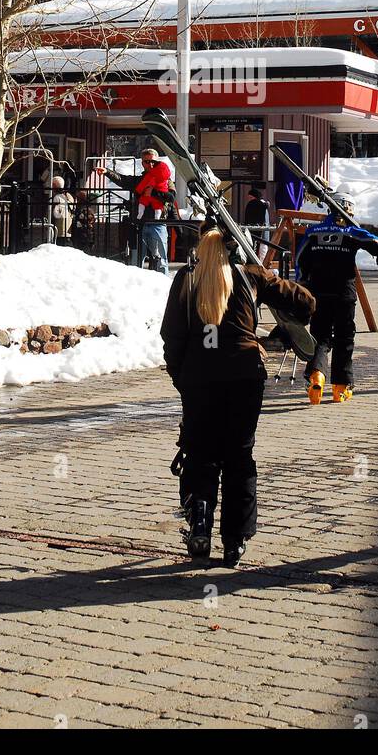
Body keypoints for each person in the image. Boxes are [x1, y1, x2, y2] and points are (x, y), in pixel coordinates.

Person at [161, 224, 315, 567]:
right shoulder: (251, 276)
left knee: (199, 452)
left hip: (199, 378)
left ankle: (199, 517)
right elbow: (305, 303)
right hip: (245, 374)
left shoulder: (186, 278)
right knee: (239, 455)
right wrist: (284, 329)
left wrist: (181, 377)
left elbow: (171, 335)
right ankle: (235, 540)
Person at [295, 194, 378, 404]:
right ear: (349, 210)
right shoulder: (351, 231)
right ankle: (340, 387)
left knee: (320, 336)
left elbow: (300, 260)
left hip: (318, 292)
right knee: (344, 337)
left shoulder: (313, 231)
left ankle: (316, 377)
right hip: (343, 293)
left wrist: (302, 282)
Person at [105, 149, 174, 273]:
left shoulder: (166, 179)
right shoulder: (140, 180)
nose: (150, 164)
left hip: (157, 223)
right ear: (142, 163)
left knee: (161, 260)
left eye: (153, 161)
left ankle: (163, 286)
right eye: (146, 161)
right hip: (139, 224)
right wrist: (107, 172)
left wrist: (153, 192)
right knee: (136, 261)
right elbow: (123, 180)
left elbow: (171, 197)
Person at [244, 186, 272, 263]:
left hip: (258, 233)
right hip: (263, 234)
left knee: (260, 254)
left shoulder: (255, 204)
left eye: (250, 197)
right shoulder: (261, 204)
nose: (249, 199)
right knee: (262, 253)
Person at [50, 175, 73, 247]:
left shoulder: (56, 197)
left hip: (59, 231)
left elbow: (54, 214)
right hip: (68, 230)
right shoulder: (69, 196)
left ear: (54, 185)